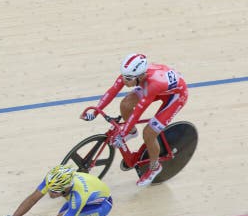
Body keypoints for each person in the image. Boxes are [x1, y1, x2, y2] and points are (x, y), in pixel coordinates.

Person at [81, 53, 188, 186]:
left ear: (140, 76)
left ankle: (155, 167)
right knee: (125, 104)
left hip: (176, 96)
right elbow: (112, 91)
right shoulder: (131, 74)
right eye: (123, 76)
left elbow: (137, 112)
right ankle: (132, 132)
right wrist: (95, 112)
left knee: (149, 133)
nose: (125, 81)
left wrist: (122, 133)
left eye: (128, 79)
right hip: (157, 87)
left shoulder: (152, 85)